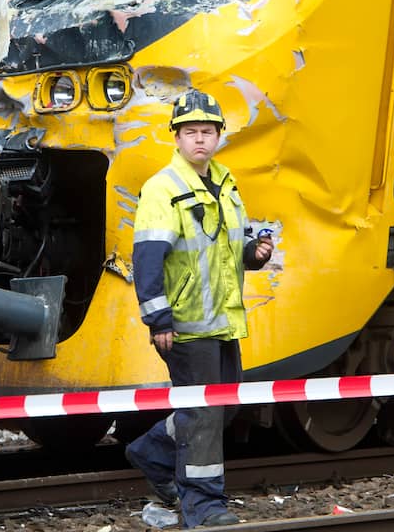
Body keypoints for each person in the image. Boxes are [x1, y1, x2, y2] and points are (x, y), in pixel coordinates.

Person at [125, 89, 275, 528]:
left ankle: (151, 452)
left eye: (207, 132)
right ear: (176, 137)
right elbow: (147, 258)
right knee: (205, 415)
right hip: (186, 327)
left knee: (222, 409)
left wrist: (253, 253)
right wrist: (158, 319)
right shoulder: (163, 189)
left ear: (218, 136)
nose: (199, 140)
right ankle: (204, 507)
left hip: (222, 322)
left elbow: (225, 251)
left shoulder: (225, 183)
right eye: (190, 132)